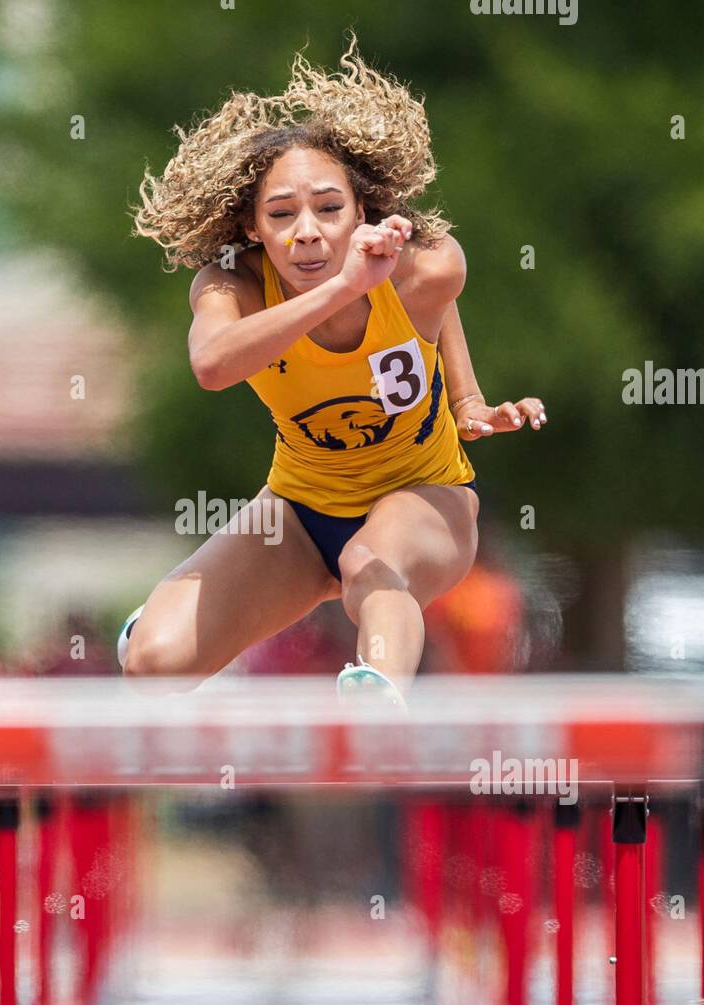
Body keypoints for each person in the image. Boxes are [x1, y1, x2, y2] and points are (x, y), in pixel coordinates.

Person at [120, 35, 544, 702]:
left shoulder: (424, 266)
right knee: (152, 664)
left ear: (362, 212)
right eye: (281, 215)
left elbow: (437, 304)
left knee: (367, 562)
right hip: (298, 511)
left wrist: (468, 401)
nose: (308, 231)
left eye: (328, 208)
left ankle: (377, 704)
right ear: (253, 228)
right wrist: (344, 287)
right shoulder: (231, 285)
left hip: (426, 500)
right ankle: (161, 624)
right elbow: (212, 364)